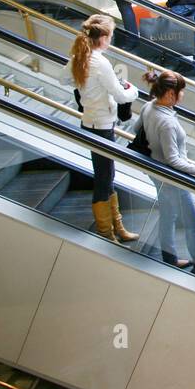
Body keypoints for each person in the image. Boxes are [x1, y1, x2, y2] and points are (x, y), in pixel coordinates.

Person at [64, 14, 139, 245]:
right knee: (104, 178)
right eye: (111, 36)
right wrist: (134, 91)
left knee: (107, 175)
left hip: (91, 121)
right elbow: (120, 94)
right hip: (102, 125)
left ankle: (116, 226)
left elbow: (62, 78)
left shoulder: (80, 57)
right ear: (104, 38)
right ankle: (107, 231)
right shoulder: (100, 62)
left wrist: (84, 87)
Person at [139, 71, 195, 277]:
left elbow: (138, 131)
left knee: (168, 214)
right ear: (171, 93)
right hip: (172, 179)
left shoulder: (149, 107)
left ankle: (169, 257)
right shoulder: (167, 122)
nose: (183, 96)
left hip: (157, 173)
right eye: (182, 92)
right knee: (192, 222)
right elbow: (173, 159)